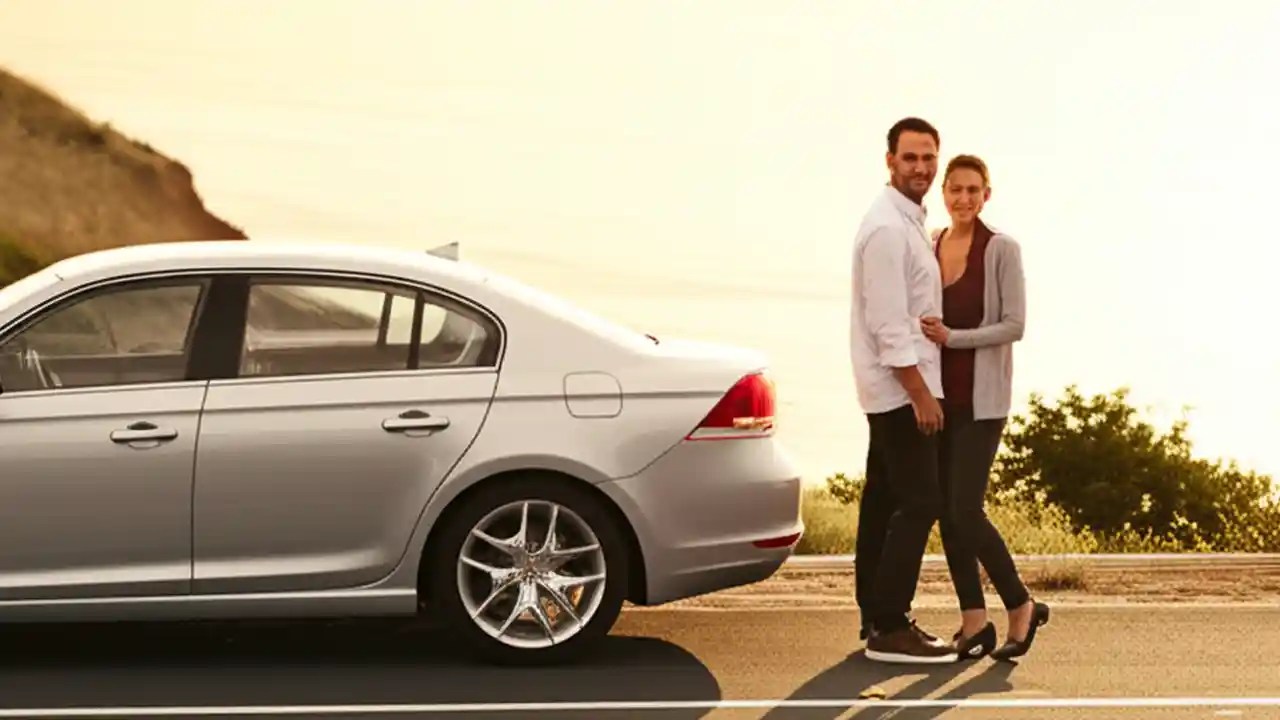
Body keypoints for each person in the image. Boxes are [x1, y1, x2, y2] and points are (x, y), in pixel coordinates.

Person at [920, 154, 1050, 661]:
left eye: (974, 190)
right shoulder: (930, 244)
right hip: (940, 400)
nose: (964, 199)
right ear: (944, 193)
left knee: (964, 508)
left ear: (986, 194)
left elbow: (1014, 325)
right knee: (947, 516)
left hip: (983, 402)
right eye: (956, 190)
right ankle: (974, 620)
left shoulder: (1001, 249)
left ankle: (1020, 604)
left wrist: (954, 338)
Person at [849, 117, 956, 663]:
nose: (920, 167)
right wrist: (920, 393)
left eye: (928, 157)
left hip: (891, 387)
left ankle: (873, 615)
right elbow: (889, 325)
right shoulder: (888, 229)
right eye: (910, 157)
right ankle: (890, 625)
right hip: (899, 390)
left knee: (885, 501)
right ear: (889, 160)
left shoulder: (908, 221)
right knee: (921, 501)